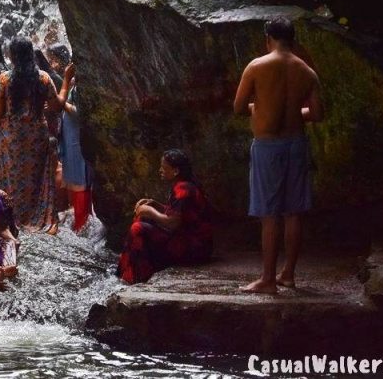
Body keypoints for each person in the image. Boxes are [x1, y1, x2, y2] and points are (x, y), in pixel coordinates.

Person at [233, 17, 324, 293]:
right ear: (293, 40)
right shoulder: (307, 71)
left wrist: (260, 109)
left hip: (268, 145)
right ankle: (289, 275)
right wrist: (293, 112)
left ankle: (268, 280)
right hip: (296, 144)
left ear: (268, 38)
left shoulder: (257, 66)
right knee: (293, 212)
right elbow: (318, 114)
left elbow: (238, 107)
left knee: (270, 215)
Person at [0, 36, 62, 232]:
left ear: (12, 56)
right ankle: (37, 217)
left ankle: (11, 215)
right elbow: (56, 105)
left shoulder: (4, 79)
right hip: (37, 134)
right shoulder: (44, 78)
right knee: (36, 177)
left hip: (11, 136)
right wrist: (65, 85)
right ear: (31, 54)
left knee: (11, 176)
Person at [116, 149, 213, 284]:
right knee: (142, 219)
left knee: (138, 228)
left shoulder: (183, 189)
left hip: (194, 249)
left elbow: (173, 223)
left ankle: (135, 276)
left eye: (163, 167)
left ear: (175, 171)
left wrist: (150, 211)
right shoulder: (184, 185)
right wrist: (155, 205)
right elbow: (179, 214)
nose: (160, 170)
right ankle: (127, 271)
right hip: (193, 243)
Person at [57, 62, 91, 232]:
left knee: (81, 181)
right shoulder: (75, 87)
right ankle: (79, 221)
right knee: (74, 181)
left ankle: (82, 223)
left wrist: (62, 102)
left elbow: (79, 114)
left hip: (78, 143)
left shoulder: (82, 88)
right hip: (71, 141)